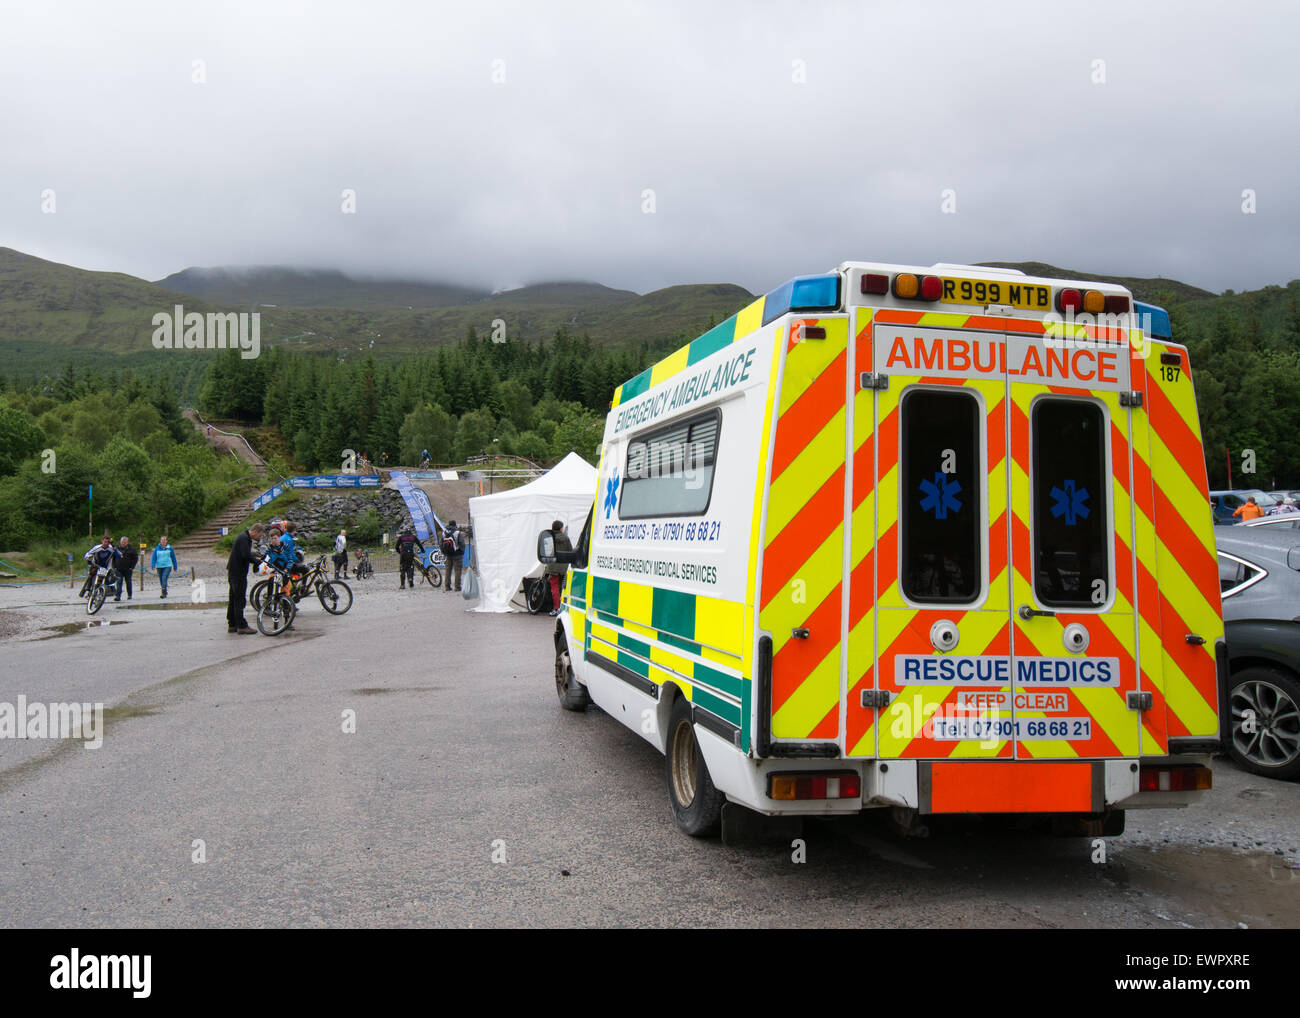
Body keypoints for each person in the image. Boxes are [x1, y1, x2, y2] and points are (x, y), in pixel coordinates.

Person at [227, 522, 266, 634]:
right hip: (238, 572)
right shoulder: (245, 538)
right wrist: (257, 561)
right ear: (256, 531)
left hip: (233, 571)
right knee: (239, 599)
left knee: (233, 598)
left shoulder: (243, 537)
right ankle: (241, 625)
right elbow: (245, 555)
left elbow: (245, 553)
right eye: (260, 535)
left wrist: (254, 557)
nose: (260, 538)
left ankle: (232, 623)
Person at [546, 520, 571, 616]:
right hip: (564, 566)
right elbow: (570, 550)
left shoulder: (549, 538)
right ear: (560, 528)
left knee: (554, 588)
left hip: (553, 567)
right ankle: (565, 608)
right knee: (565, 587)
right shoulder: (565, 537)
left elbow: (547, 551)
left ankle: (556, 608)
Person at [441, 520, 464, 592]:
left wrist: (444, 552)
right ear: (455, 525)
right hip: (457, 554)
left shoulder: (444, 533)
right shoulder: (458, 533)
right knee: (457, 570)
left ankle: (447, 586)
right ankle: (457, 587)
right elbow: (462, 544)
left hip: (448, 554)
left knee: (448, 570)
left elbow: (441, 544)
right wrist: (461, 552)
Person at [114, 536, 138, 602]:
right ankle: (118, 596)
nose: (123, 543)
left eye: (125, 542)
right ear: (120, 542)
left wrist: (132, 567)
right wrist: (114, 566)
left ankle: (129, 595)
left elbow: (135, 558)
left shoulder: (132, 549)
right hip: (118, 569)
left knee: (128, 582)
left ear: (127, 542)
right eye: (122, 542)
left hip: (128, 569)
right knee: (119, 582)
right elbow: (113, 558)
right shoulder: (116, 549)